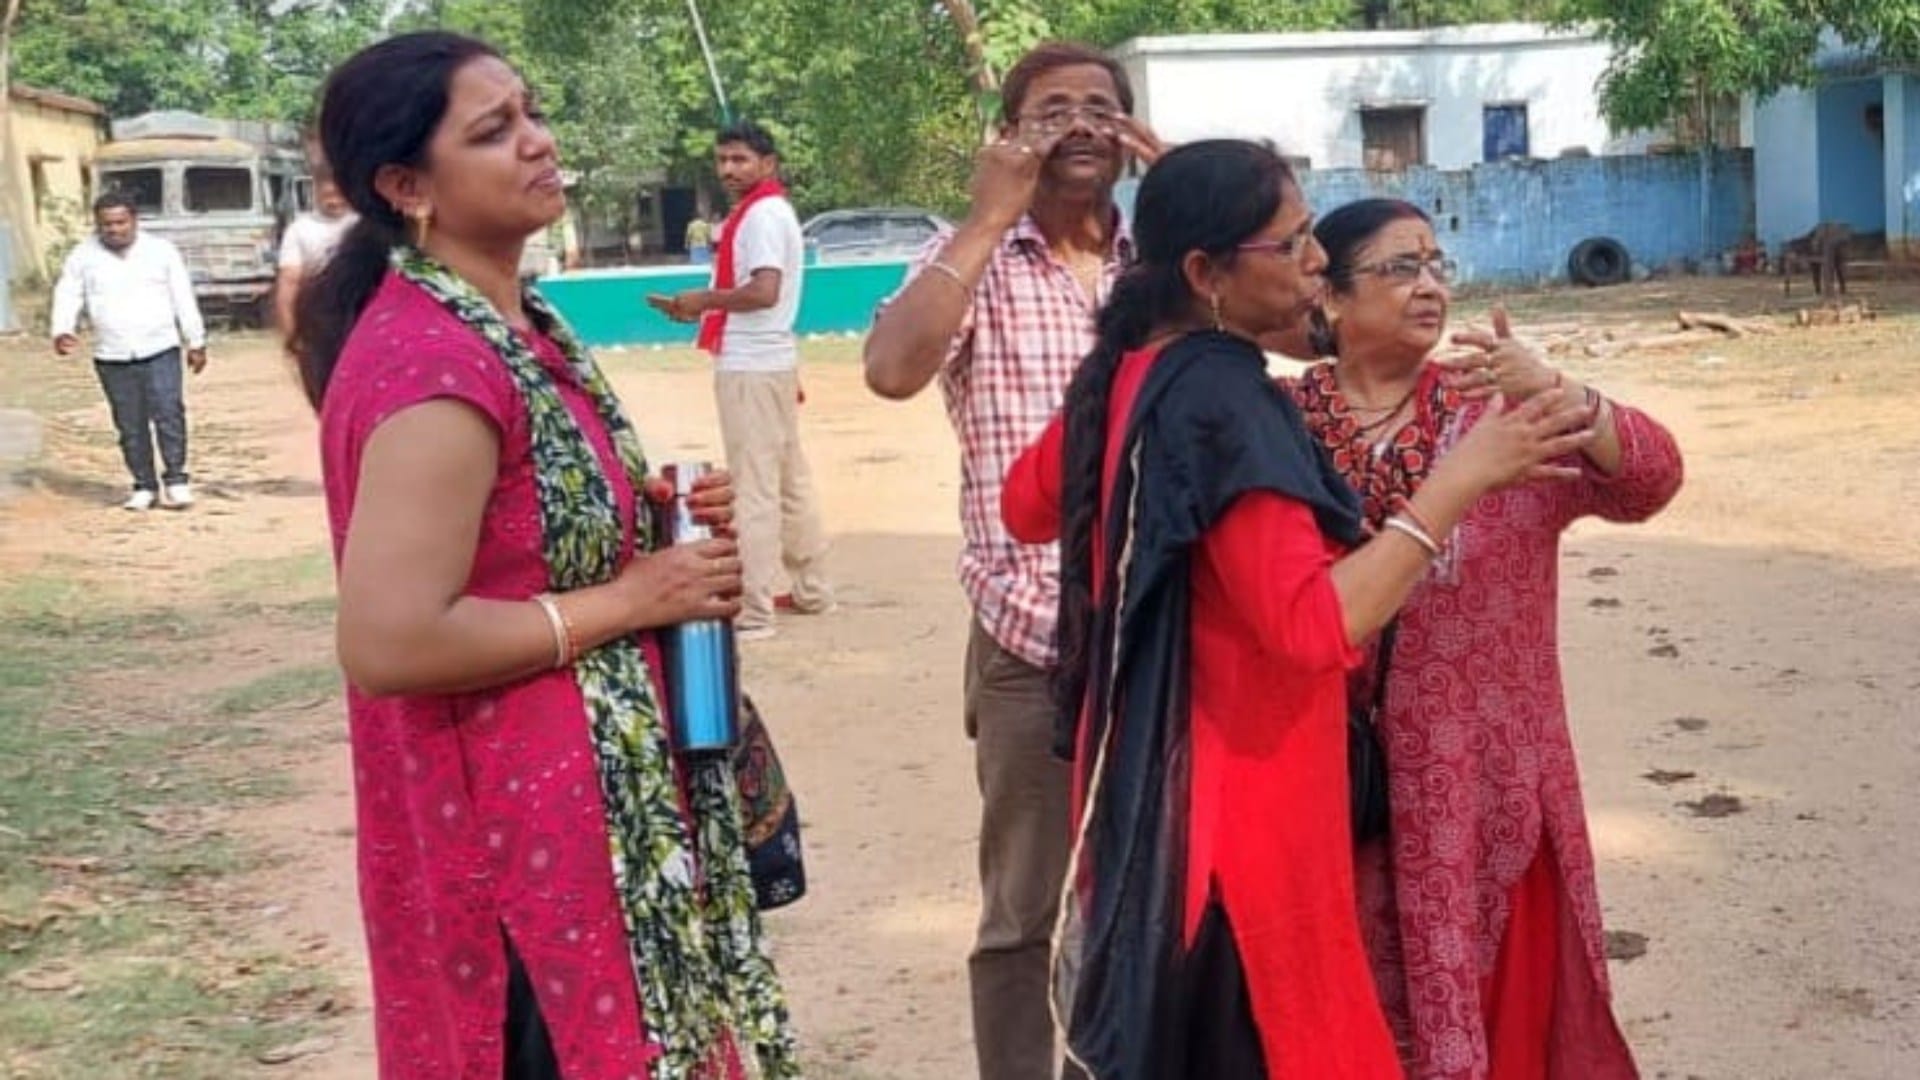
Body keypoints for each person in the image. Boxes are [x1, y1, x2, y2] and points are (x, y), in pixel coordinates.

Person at [999, 140, 1600, 1079]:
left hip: (1140, 784)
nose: (1317, 261)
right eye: (1292, 245)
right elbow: (1312, 625)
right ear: (1205, 274)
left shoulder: (1128, 370)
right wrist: (1460, 482)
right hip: (1244, 813)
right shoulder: (1226, 401)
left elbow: (1026, 502)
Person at [288, 32, 798, 1079]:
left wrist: (658, 525)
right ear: (405, 185)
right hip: (519, 841)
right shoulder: (434, 364)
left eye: (530, 112)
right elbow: (390, 638)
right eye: (494, 131)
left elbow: (520, 547)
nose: (539, 142)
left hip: (589, 809)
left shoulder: (521, 326)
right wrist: (634, 596)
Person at [1282, 198, 1683, 1080]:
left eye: (1437, 265)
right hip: (1331, 787)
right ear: (1331, 299)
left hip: (1491, 786)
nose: (1430, 286)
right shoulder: (1277, 422)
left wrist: (1565, 393)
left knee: (1509, 1022)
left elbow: (1650, 481)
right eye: (1399, 268)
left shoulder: (1502, 410)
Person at [861, 40, 1162, 1080]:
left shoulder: (1176, 263)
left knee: (1166, 887)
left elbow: (1312, 329)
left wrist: (1196, 203)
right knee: (1026, 909)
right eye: (1050, 110)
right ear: (1008, 136)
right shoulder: (969, 257)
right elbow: (893, 370)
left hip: (1173, 630)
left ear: (1128, 132)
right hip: (1033, 639)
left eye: (1099, 106)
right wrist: (991, 215)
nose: (1078, 123)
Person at [656, 121, 831, 640]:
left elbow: (763, 291)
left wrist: (701, 300)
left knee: (754, 487)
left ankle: (754, 610)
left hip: (752, 364)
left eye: (740, 160)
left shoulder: (760, 217)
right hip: (770, 360)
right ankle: (811, 589)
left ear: (767, 164)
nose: (729, 169)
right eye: (723, 160)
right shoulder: (769, 212)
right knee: (789, 480)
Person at [51, 192, 208, 511]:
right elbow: (68, 293)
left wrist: (195, 340)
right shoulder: (83, 256)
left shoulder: (161, 251)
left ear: (134, 220)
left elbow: (183, 296)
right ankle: (144, 486)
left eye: (121, 222)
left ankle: (176, 480)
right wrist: (62, 329)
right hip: (113, 354)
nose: (114, 230)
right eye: (106, 224)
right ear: (97, 225)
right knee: (129, 423)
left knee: (168, 413)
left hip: (160, 347)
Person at [275, 147, 358, 342]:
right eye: (328, 195)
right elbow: (289, 283)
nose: (334, 201)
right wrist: (291, 335)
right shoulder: (300, 229)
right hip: (320, 321)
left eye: (339, 195)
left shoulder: (365, 225)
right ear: (316, 190)